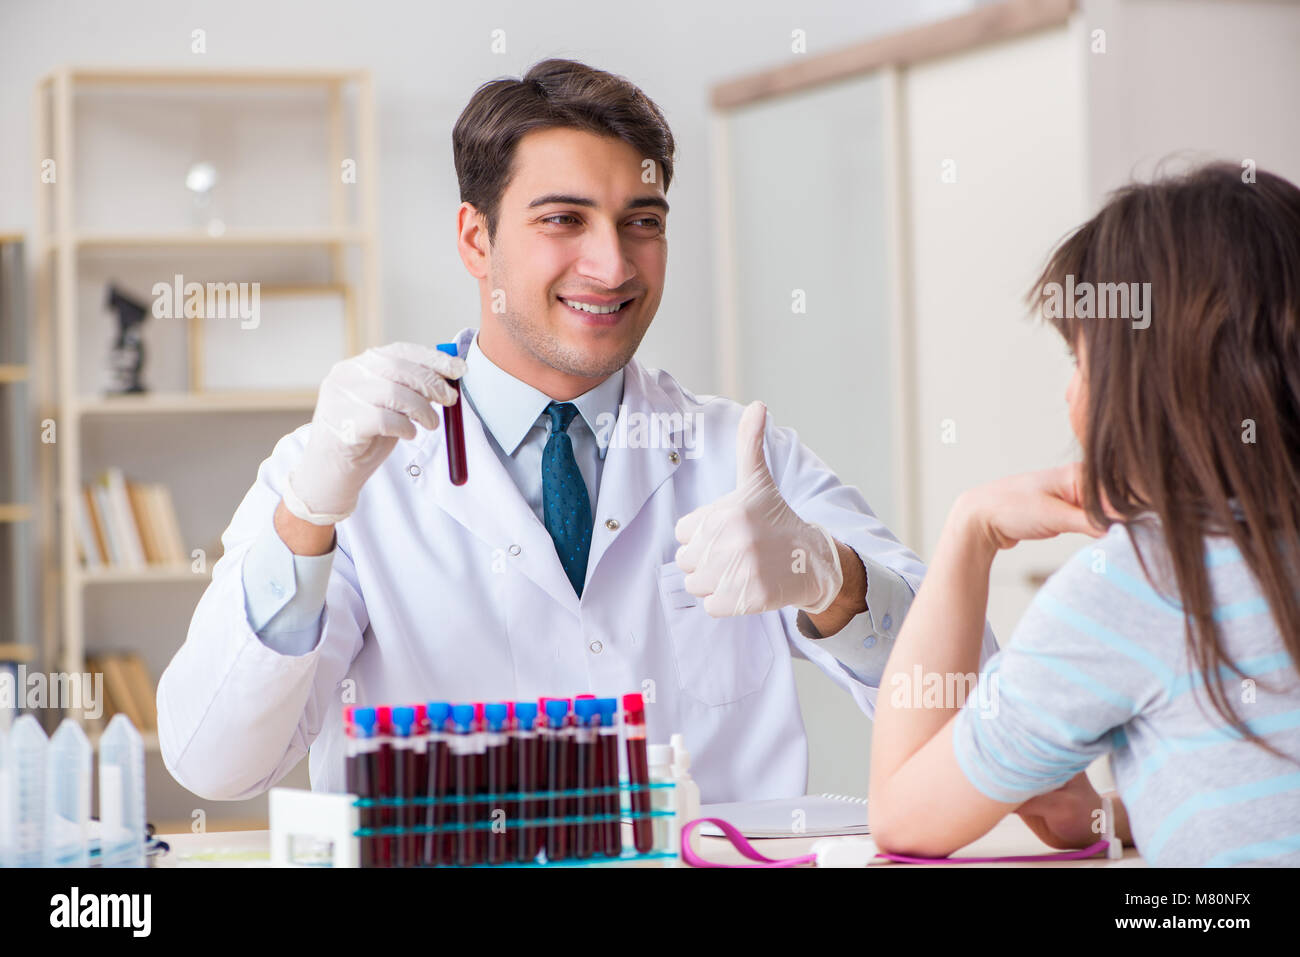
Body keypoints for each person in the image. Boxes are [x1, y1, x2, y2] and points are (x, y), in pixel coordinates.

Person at [157, 58, 996, 804]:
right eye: (565, 220)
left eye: (644, 219)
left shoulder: (741, 456)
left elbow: (980, 700)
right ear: (476, 239)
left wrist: (832, 579)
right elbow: (215, 762)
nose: (614, 264)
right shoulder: (343, 476)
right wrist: (306, 524)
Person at [868, 163, 1300, 866]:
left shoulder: (1148, 581)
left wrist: (968, 531)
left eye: (1079, 359)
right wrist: (1114, 812)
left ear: (1149, 377)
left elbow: (901, 814)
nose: (1069, 396)